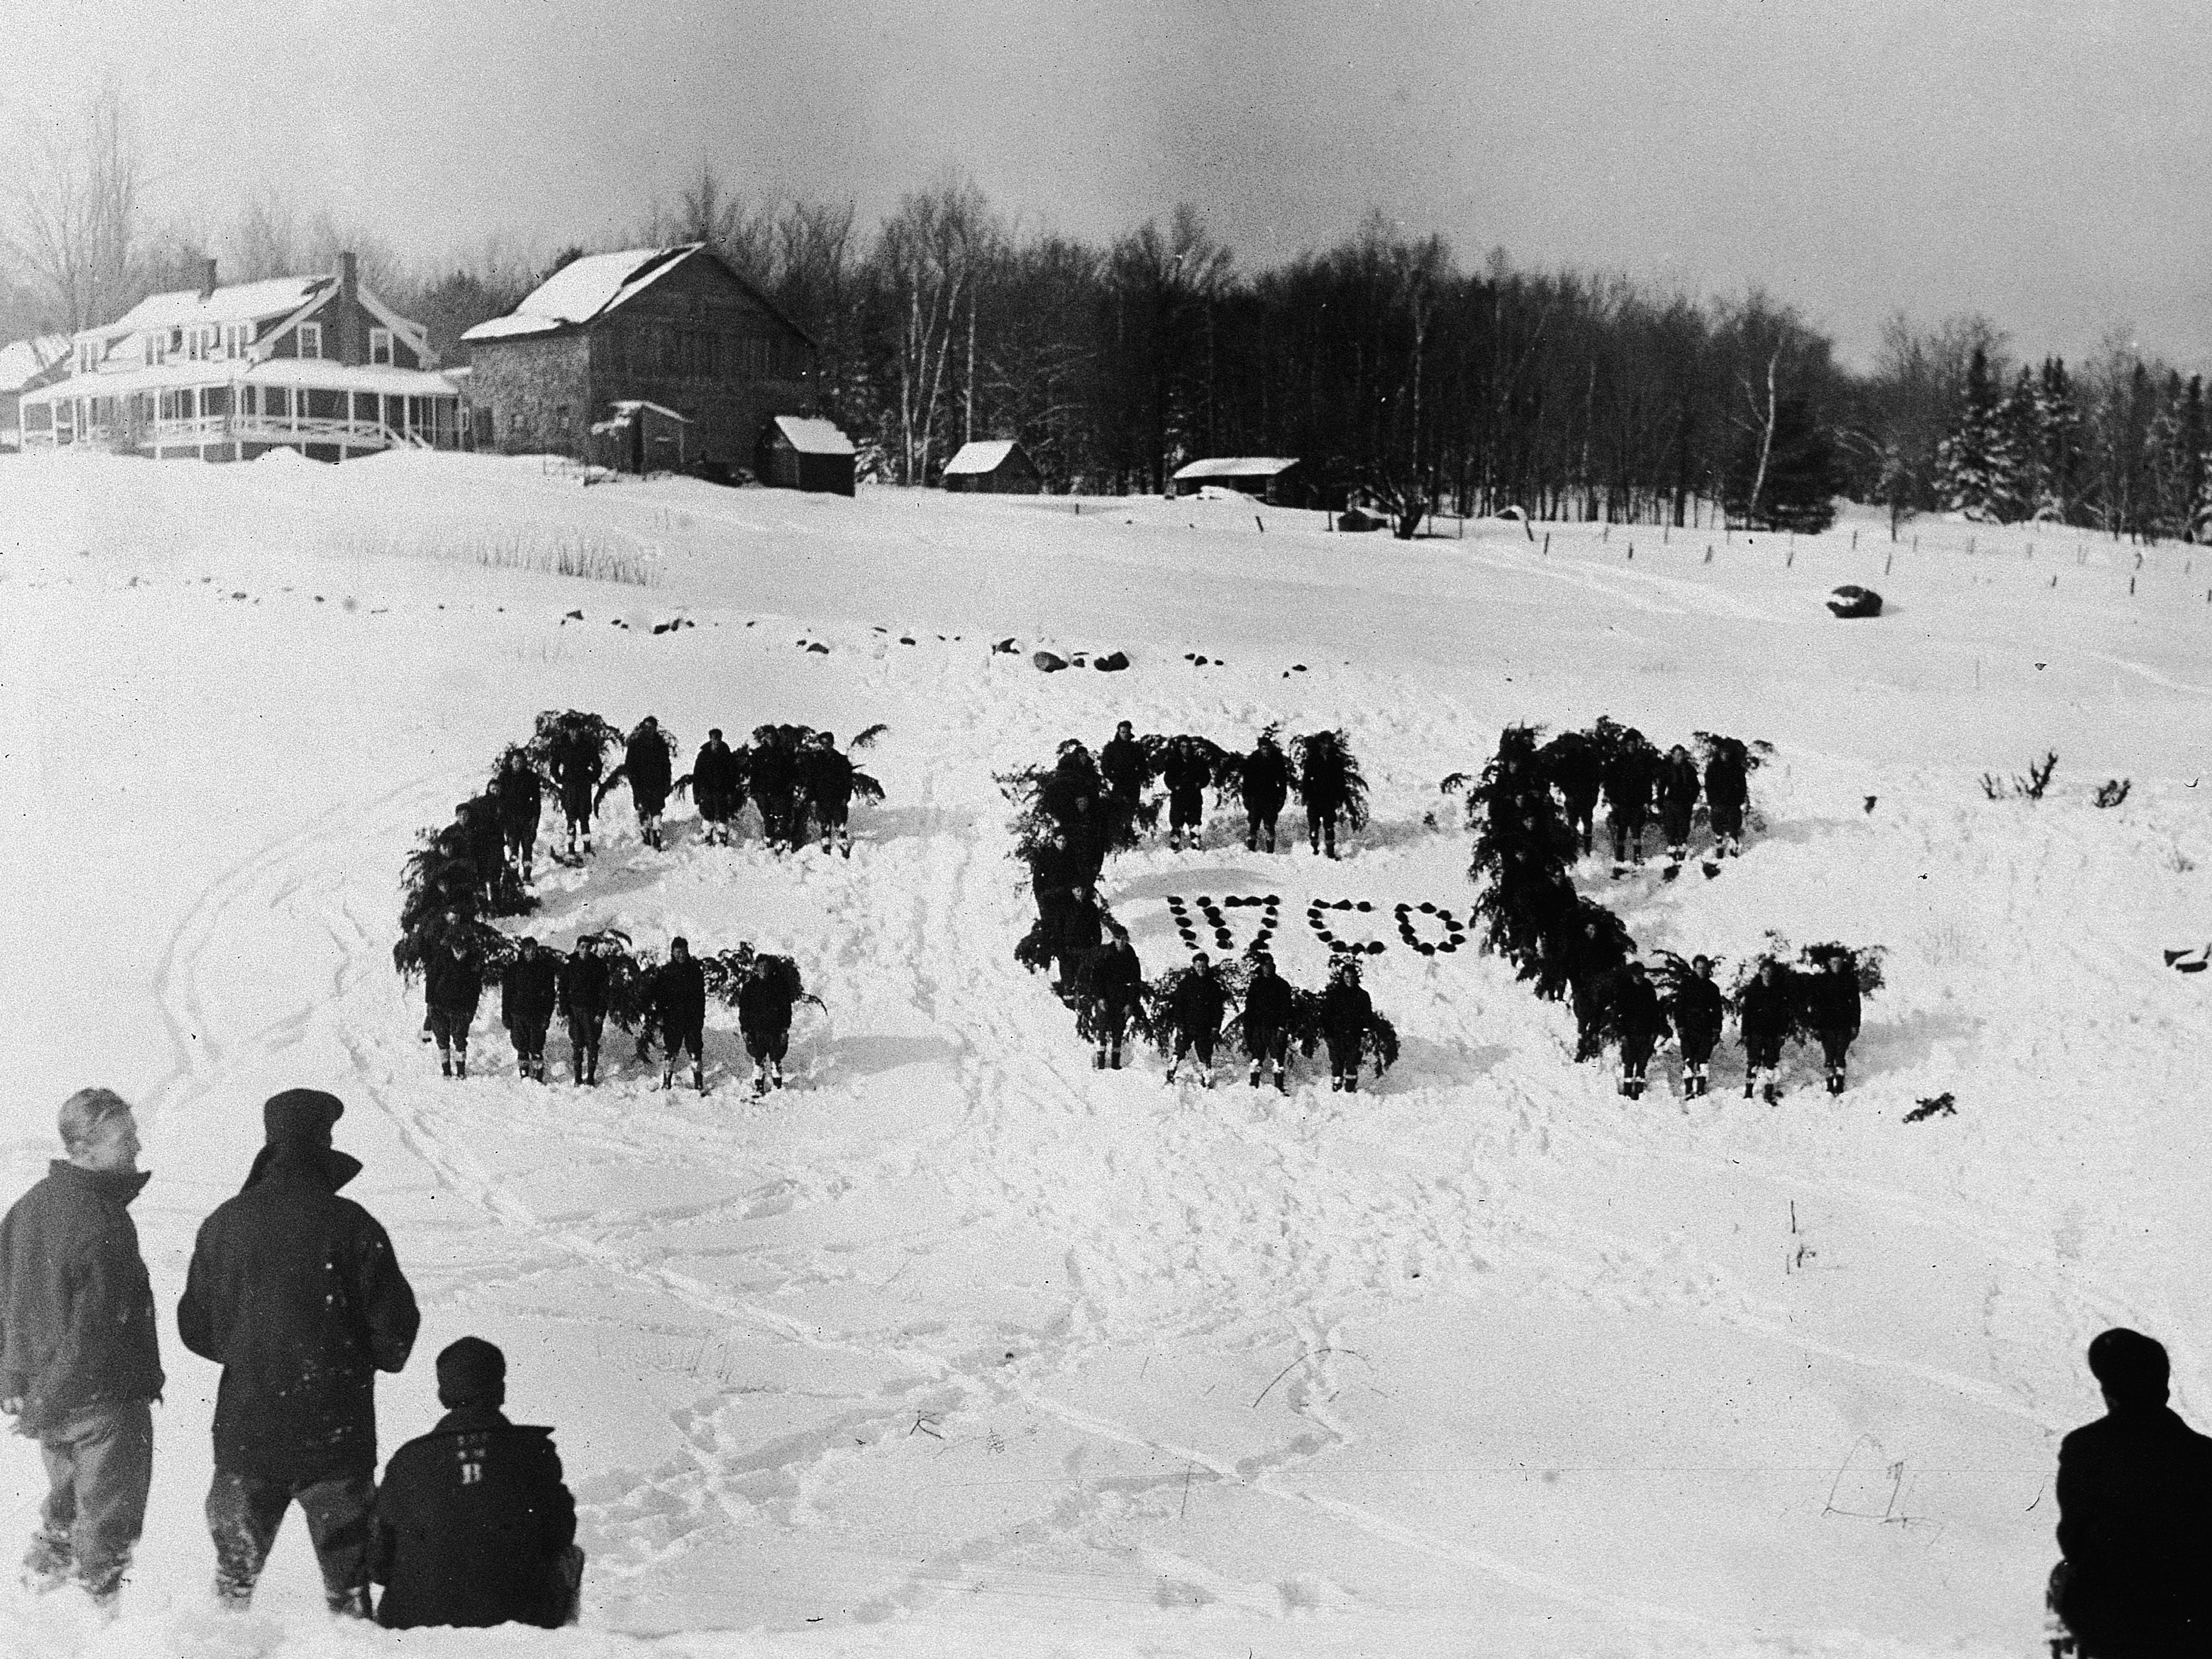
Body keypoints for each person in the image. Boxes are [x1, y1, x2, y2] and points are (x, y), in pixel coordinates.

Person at [178, 1088, 420, 1616]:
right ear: (325, 1142)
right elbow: (395, 1337)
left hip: (248, 1434)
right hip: (336, 1438)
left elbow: (195, 1329)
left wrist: (254, 1352)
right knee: (349, 1600)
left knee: (232, 1590)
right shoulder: (355, 1225)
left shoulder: (224, 1224)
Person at [1, 1089, 163, 1613]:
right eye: (125, 1136)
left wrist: (16, 1383)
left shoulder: (28, 1206)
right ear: (86, 1147)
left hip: (51, 1405)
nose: (138, 1144)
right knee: (106, 1532)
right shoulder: (101, 1219)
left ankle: (34, 1612)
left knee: (66, 1513)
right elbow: (97, 1331)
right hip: (103, 1403)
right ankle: (101, 1629)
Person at [371, 1337, 580, 1630]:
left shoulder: (409, 1459)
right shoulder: (534, 1451)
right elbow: (559, 1536)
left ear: (443, 1394)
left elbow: (379, 1558)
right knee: (573, 1558)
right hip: (521, 1615)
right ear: (501, 1390)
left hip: (414, 1619)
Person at [2049, 1328, 2212, 1657]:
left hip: (2114, 1626)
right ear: (2163, 1388)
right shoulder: (2204, 1453)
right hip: (2198, 1627)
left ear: (2109, 1392)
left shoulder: (2083, 1448)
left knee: (2062, 1576)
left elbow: (2074, 1541)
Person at [737, 955, 801, 1096]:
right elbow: (744, 1011)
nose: (763, 970)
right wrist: (745, 1030)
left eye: (766, 967)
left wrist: (785, 1029)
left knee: (776, 1060)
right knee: (758, 1061)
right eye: (761, 967)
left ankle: (778, 1087)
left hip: (775, 1030)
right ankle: (759, 1086)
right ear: (756, 968)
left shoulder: (779, 986)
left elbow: (786, 1009)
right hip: (756, 1030)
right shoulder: (749, 987)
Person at [1082, 935, 1146, 1071]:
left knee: (1118, 1032)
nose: (1121, 942)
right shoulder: (1105, 956)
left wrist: (1130, 1003)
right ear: (1114, 939)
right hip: (1106, 999)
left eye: (1124, 939)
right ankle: (1100, 1063)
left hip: (1122, 1000)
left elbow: (1135, 983)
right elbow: (1096, 979)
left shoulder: (1131, 959)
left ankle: (1116, 1063)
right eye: (1118, 938)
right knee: (1102, 1029)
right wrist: (1100, 998)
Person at [501, 937, 560, 1083]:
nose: (531, 953)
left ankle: (539, 1076)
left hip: (537, 1014)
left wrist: (547, 1015)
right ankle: (524, 1075)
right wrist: (506, 1015)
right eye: (528, 950)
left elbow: (550, 995)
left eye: (534, 950)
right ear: (523, 951)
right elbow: (507, 994)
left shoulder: (544, 969)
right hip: (518, 1013)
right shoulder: (513, 969)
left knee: (536, 1047)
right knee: (521, 1046)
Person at [654, 936, 709, 1093]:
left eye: (683, 951)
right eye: (677, 952)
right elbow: (660, 997)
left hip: (692, 1018)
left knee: (695, 1051)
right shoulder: (666, 972)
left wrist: (700, 1018)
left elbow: (700, 997)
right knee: (670, 1051)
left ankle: (698, 1081)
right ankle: (667, 1081)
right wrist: (660, 1017)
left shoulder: (695, 971)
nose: (681, 955)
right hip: (672, 1019)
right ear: (672, 952)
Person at [424, 930, 482, 1079]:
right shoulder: (442, 959)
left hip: (461, 1010)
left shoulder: (472, 964)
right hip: (440, 1007)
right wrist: (430, 1003)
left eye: (462, 951)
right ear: (452, 949)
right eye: (456, 951)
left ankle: (461, 1071)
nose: (459, 955)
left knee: (460, 1040)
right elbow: (431, 980)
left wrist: (472, 1010)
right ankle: (446, 1071)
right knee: (442, 1040)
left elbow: (476, 990)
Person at [1667, 956, 1726, 1099]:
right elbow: (1679, 1008)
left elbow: (1718, 1011)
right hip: (1689, 1028)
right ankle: (1688, 1089)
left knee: (1703, 1059)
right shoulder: (1686, 985)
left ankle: (1700, 1088)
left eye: (1704, 968)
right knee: (1688, 1059)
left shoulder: (1712, 988)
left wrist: (1716, 1030)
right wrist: (1680, 1026)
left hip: (1706, 1028)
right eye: (1699, 967)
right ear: (1694, 968)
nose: (1702, 970)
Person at [1608, 961, 1669, 1099]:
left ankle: (1639, 1090)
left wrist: (1654, 1032)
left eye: (1641, 974)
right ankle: (1627, 1091)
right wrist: (1622, 1033)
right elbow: (1618, 1014)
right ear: (1632, 975)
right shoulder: (1625, 990)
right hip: (1629, 1034)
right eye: (1636, 974)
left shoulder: (1648, 989)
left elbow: (1655, 1012)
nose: (1638, 977)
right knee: (1629, 1063)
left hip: (1646, 1033)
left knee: (1642, 1064)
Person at [1602, 729, 1659, 873]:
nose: (1631, 747)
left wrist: (1647, 800)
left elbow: (1647, 782)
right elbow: (1610, 780)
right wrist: (1610, 796)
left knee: (1636, 830)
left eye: (1633, 744)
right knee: (1621, 830)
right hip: (1621, 802)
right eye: (1629, 744)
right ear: (1625, 745)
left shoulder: (1642, 761)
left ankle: (1637, 856)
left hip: (1637, 802)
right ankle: (1620, 857)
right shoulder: (1619, 761)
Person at [1165, 953, 1227, 1087]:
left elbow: (1218, 1009)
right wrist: (1180, 1025)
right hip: (1187, 1025)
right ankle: (1171, 1072)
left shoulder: (1213, 986)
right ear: (1193, 966)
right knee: (1180, 1051)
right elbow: (1179, 1006)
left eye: (1203, 966)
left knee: (1205, 1054)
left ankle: (1207, 1078)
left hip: (1205, 1026)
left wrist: (1216, 1027)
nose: (1201, 969)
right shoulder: (1186, 984)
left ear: (1207, 966)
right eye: (1198, 966)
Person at [558, 937, 612, 1086]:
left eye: (588, 947)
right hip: (575, 1011)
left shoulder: (599, 966)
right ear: (577, 948)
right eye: (582, 947)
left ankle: (590, 1078)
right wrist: (566, 1013)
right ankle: (577, 1077)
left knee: (592, 1044)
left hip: (592, 1012)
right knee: (577, 1043)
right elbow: (563, 991)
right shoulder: (570, 966)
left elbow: (604, 992)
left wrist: (601, 1013)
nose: (585, 950)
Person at [1807, 954, 1862, 1095]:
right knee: (1829, 1056)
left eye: (1838, 962)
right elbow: (1816, 1005)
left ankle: (1840, 1084)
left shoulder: (1849, 980)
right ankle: (1830, 1084)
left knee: (1840, 1055)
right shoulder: (1822, 980)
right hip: (1827, 1024)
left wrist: (1855, 1025)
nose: (1836, 965)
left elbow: (1856, 1004)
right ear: (1829, 963)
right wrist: (1816, 1026)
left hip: (1844, 1023)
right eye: (1833, 962)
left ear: (1842, 963)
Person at [1737, 958, 1791, 1101]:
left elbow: (1784, 1015)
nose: (1767, 974)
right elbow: (1746, 1014)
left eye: (1770, 972)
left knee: (1771, 1063)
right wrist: (1745, 1034)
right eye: (1765, 971)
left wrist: (1782, 1033)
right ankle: (1749, 1091)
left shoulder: (1779, 991)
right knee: (1753, 1062)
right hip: (1756, 1033)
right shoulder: (1753, 990)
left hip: (1773, 1034)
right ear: (1760, 972)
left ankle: (1768, 1092)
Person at [1241, 952, 1295, 1091]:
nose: (1267, 968)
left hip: (1276, 1028)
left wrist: (1283, 1027)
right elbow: (1250, 1008)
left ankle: (1279, 1087)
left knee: (1278, 1059)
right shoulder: (1255, 985)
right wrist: (1248, 1028)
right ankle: (1254, 1086)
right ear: (1261, 966)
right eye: (1265, 965)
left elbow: (1287, 1009)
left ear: (1273, 964)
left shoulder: (1282, 985)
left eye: (1269, 964)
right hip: (1258, 1028)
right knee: (1256, 1058)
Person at [1320, 956, 1375, 1092]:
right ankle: (1337, 1085)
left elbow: (1367, 1016)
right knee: (1337, 1062)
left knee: (1352, 1062)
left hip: (1354, 1035)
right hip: (1337, 1035)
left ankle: (1350, 1088)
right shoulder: (1334, 994)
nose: (1349, 980)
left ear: (1356, 977)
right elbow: (1326, 1015)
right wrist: (1328, 1033)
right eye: (1346, 977)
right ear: (1342, 978)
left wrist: (1365, 1034)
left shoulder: (1362, 995)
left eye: (1351, 977)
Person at [799, 730, 858, 858]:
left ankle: (843, 844)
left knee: (840, 823)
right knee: (825, 824)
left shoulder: (841, 760)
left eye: (828, 743)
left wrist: (845, 797)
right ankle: (826, 846)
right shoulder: (815, 760)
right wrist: (813, 799)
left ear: (832, 743)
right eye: (823, 743)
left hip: (837, 797)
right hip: (822, 798)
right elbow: (811, 781)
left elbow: (847, 781)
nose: (826, 745)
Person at [490, 749, 544, 884]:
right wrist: (503, 822)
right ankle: (514, 876)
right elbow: (499, 801)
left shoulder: (531, 777)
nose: (517, 764)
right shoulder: (504, 777)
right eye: (515, 762)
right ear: (511, 762)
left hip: (526, 817)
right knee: (513, 849)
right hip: (510, 819)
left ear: (524, 763)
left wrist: (535, 822)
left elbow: (536, 801)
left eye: (520, 762)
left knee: (527, 848)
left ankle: (527, 876)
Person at [620, 716, 674, 850]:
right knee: (642, 809)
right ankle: (645, 833)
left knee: (656, 810)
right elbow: (630, 766)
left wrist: (667, 782)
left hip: (657, 783)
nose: (649, 730)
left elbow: (666, 765)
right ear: (643, 727)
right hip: (641, 784)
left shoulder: (661, 745)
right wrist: (634, 781)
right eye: (647, 727)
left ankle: (656, 836)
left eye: (652, 727)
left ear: (656, 728)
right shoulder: (635, 744)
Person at [1240, 731, 1295, 853]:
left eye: (1268, 748)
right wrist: (1246, 798)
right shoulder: (1253, 759)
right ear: (1260, 748)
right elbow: (1247, 781)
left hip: (1271, 797)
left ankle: (1270, 850)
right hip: (1255, 796)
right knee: (1253, 824)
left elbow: (1282, 781)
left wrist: (1282, 798)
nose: (1266, 751)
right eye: (1263, 748)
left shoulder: (1277, 759)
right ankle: (1251, 849)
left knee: (1270, 824)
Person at [691, 728, 743, 846]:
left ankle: (722, 837)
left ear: (721, 739)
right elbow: (697, 775)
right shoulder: (703, 755)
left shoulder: (727, 755)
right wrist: (696, 793)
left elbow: (733, 775)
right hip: (706, 790)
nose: (716, 741)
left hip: (722, 790)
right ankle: (707, 835)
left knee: (722, 814)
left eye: (718, 738)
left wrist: (731, 791)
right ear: (710, 739)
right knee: (707, 813)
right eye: (714, 738)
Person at [1160, 737, 1212, 853]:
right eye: (1183, 746)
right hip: (1179, 796)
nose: (1186, 749)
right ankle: (1175, 846)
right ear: (1179, 748)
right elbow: (1168, 778)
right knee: (1177, 822)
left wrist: (1200, 784)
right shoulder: (1173, 762)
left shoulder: (1198, 761)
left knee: (1194, 822)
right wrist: (1175, 786)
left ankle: (1196, 846)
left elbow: (1206, 776)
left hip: (1194, 795)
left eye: (1188, 746)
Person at [1655, 744, 1701, 875]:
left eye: (1681, 754)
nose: (1679, 757)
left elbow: (1696, 786)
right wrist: (1660, 802)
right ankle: (1672, 854)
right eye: (1677, 754)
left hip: (1685, 803)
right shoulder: (1668, 769)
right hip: (1671, 803)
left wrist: (1691, 799)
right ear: (1672, 755)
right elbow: (1661, 787)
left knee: (1683, 828)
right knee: (1671, 828)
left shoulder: (1689, 769)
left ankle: (1682, 853)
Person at [1704, 739, 1750, 861]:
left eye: (1727, 753)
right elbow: (1709, 786)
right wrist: (1712, 800)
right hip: (1718, 801)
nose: (1725, 755)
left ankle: (1733, 846)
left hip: (1732, 802)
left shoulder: (1737, 768)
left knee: (1734, 825)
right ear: (1719, 753)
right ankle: (1719, 843)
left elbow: (1742, 785)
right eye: (1723, 753)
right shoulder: (1713, 768)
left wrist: (1740, 799)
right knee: (1718, 825)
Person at [1100, 721, 1149, 822]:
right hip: (1118, 782)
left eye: (1127, 732)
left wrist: (1142, 777)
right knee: (1118, 808)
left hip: (1133, 782)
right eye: (1123, 732)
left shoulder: (1136, 748)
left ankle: (1129, 831)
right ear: (1118, 732)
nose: (1125, 735)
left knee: (1131, 808)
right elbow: (1105, 766)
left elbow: (1143, 765)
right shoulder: (1111, 748)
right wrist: (1112, 778)